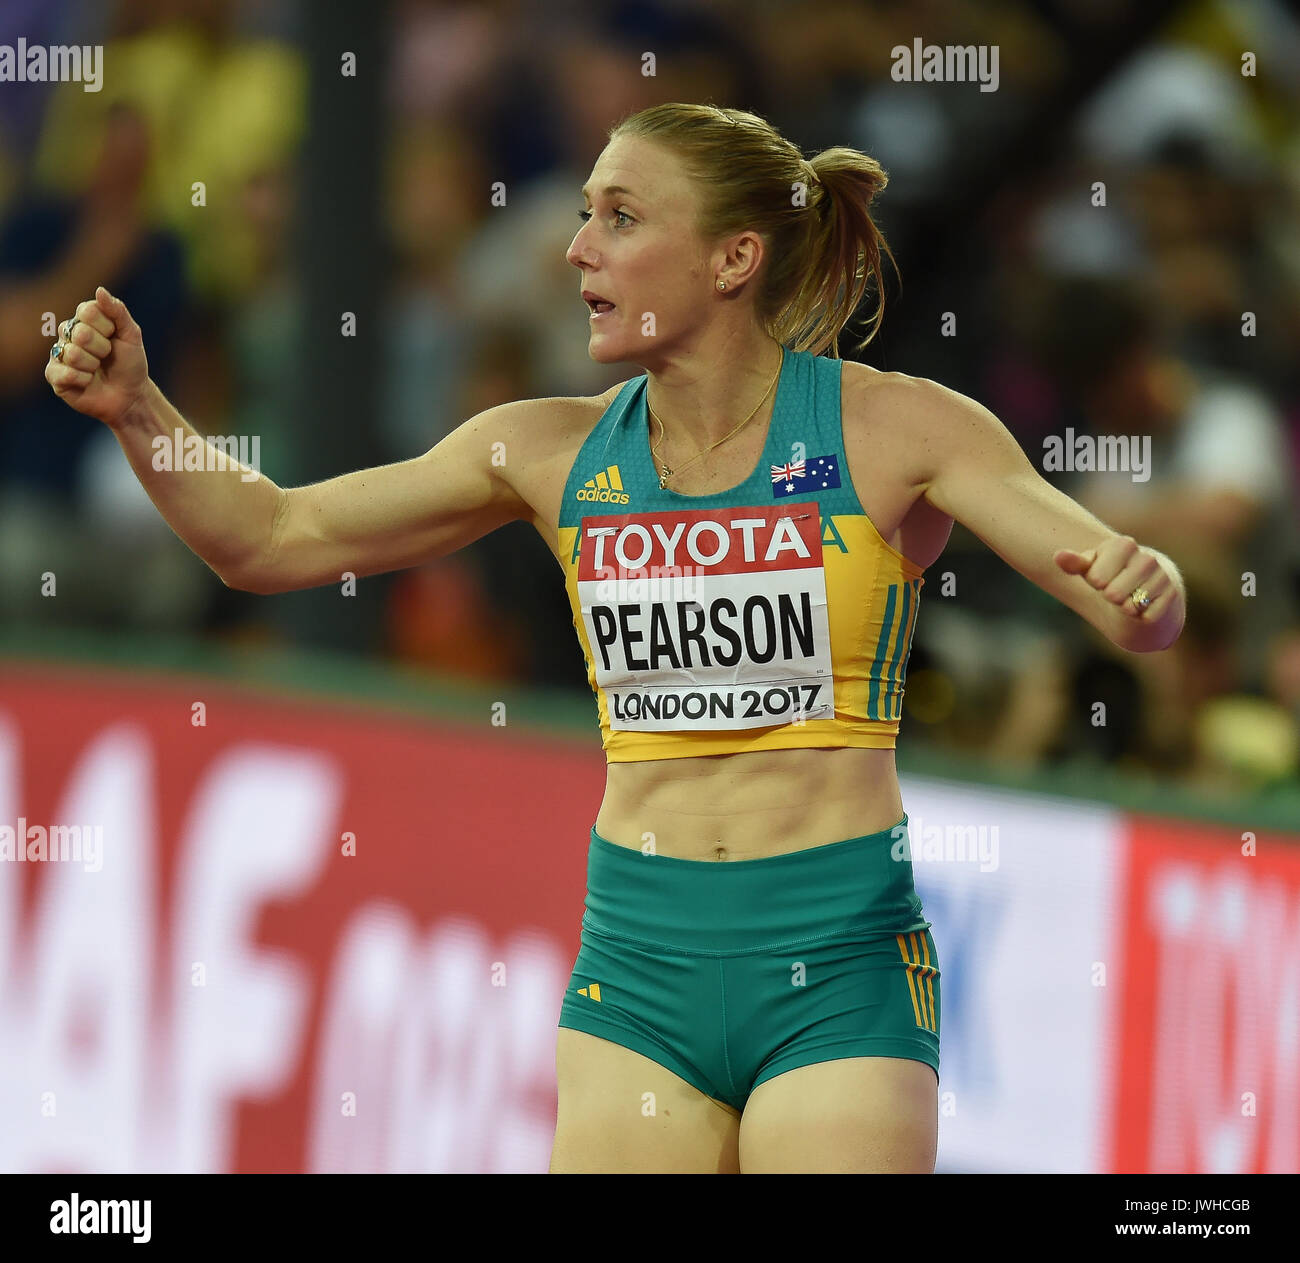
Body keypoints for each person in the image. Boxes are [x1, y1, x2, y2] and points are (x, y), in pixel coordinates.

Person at [44, 103, 1186, 1174]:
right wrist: (146, 416)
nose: (576, 248)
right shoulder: (544, 452)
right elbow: (274, 537)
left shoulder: (894, 427)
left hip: (837, 968)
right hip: (639, 976)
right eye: (586, 211)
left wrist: (1150, 591)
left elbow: (1131, 603)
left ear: (732, 260)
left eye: (620, 217)